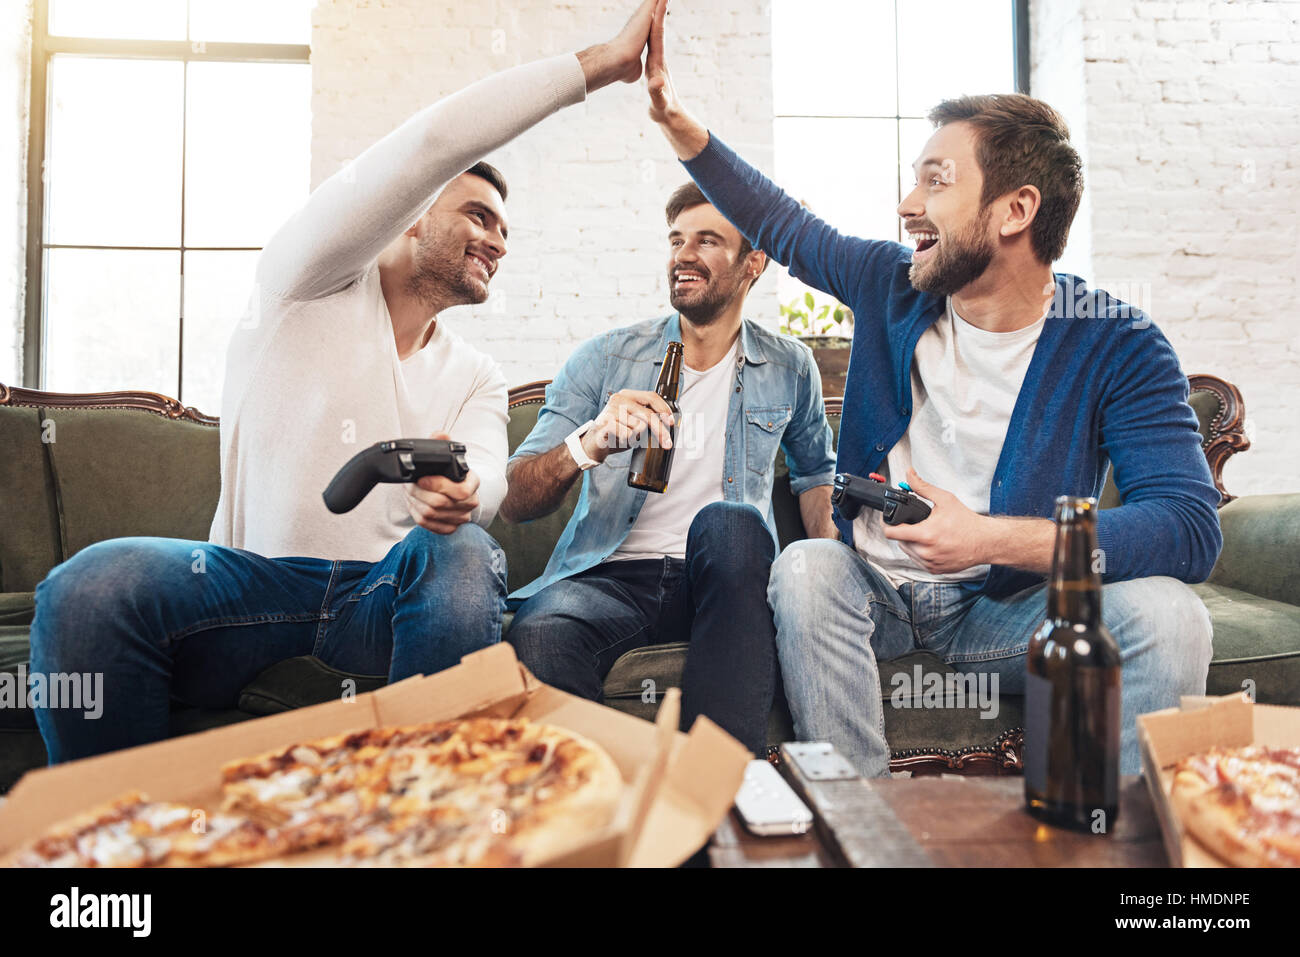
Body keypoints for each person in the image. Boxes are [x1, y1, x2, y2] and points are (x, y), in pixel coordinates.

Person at [28, 0, 664, 763]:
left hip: (382, 596)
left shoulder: (476, 375)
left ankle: (420, 821)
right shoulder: (307, 279)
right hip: (249, 590)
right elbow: (432, 143)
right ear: (408, 215)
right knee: (88, 587)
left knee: (463, 552)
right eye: (478, 214)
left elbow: (491, 476)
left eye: (505, 229)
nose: (497, 240)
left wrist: (469, 495)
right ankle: (117, 838)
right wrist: (596, 66)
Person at [642, 0, 1220, 775]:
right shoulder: (892, 285)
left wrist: (988, 538)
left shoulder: (1116, 340)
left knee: (1170, 618)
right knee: (806, 569)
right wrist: (682, 128)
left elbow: (1188, 526)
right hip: (869, 594)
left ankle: (1095, 844)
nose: (907, 205)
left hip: (1004, 612)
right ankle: (864, 825)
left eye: (935, 181)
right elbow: (783, 223)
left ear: (1017, 209)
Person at [499, 182, 837, 754]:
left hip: (727, 578)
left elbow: (814, 477)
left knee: (730, 522)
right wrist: (589, 442)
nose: (683, 255)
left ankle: (712, 794)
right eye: (677, 240)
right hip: (611, 578)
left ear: (753, 263)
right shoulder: (606, 358)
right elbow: (515, 497)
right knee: (542, 631)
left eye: (707, 241)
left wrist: (832, 563)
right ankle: (602, 811)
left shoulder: (790, 365)